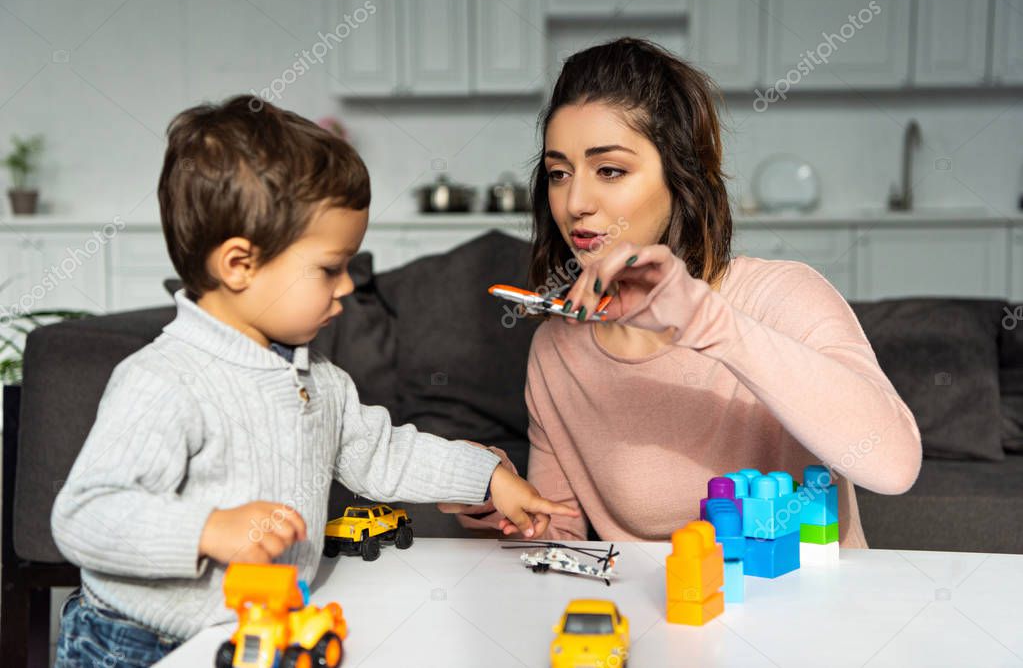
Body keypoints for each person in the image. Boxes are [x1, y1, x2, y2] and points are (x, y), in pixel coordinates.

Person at [51, 95, 576, 666]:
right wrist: (207, 529)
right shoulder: (164, 380)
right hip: (138, 641)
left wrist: (487, 477)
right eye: (330, 268)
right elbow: (85, 516)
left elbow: (382, 454)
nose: (348, 287)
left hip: (259, 630)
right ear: (239, 265)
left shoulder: (320, 381)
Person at [455, 38, 921, 544]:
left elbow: (894, 465)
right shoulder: (557, 349)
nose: (575, 202)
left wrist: (705, 321)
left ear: (681, 177)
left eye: (609, 170)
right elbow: (563, 532)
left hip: (808, 615)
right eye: (559, 173)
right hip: (661, 619)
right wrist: (509, 502)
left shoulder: (784, 295)